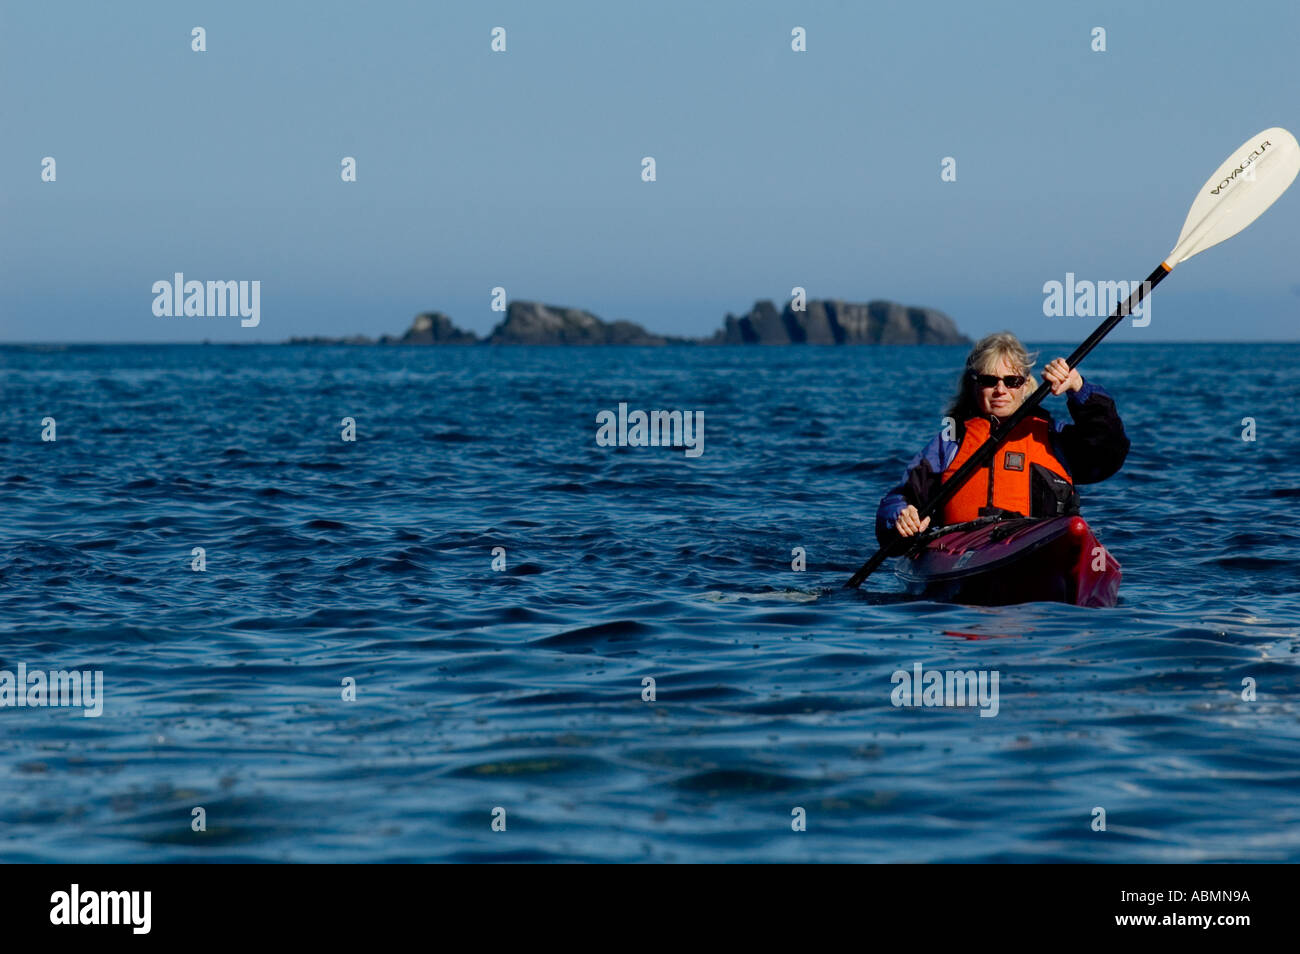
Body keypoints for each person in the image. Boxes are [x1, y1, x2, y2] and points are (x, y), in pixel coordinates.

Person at [875, 331, 1129, 544]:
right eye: (989, 380)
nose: (1000, 390)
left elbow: (1110, 450)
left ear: (1025, 385)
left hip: (1040, 546)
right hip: (963, 550)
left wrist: (1079, 388)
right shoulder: (950, 442)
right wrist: (900, 515)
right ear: (974, 385)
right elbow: (900, 496)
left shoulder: (1054, 437)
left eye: (1012, 381)